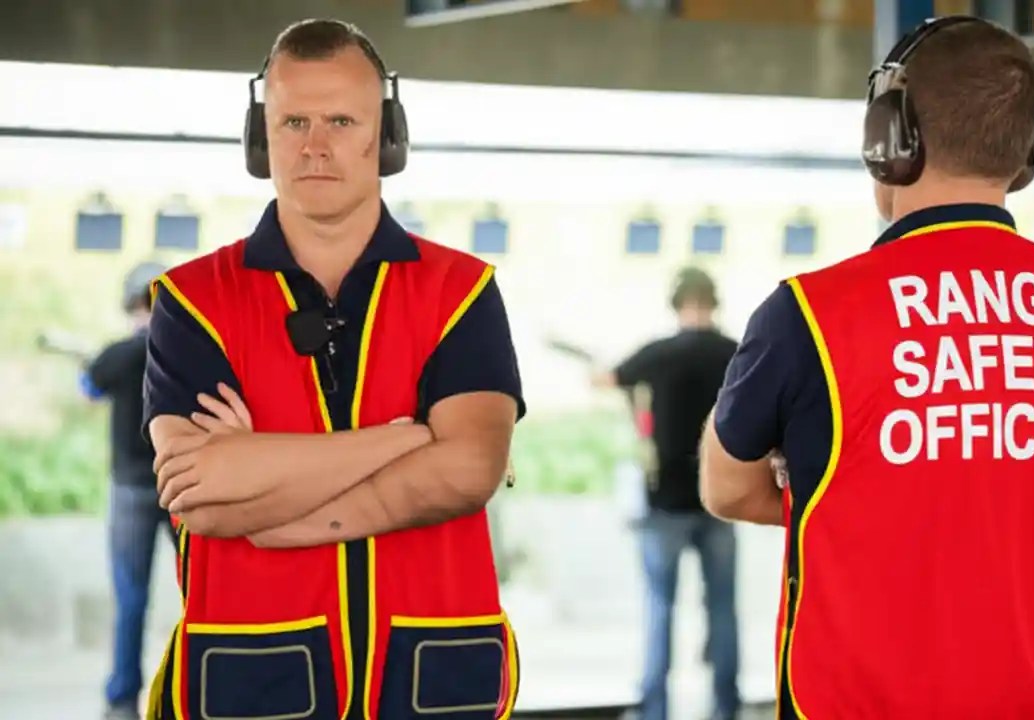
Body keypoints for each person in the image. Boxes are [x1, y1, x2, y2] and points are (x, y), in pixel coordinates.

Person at [699, 16, 1034, 719]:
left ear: (889, 141)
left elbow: (727, 490)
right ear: (1025, 150)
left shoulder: (811, 315)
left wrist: (852, 494)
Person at [140, 18, 523, 720]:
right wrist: (403, 438)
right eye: (292, 122)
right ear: (261, 138)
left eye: (342, 119)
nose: (315, 145)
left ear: (388, 136)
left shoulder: (460, 290)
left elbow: (468, 471)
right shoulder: (192, 300)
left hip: (430, 681)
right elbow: (199, 493)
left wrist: (267, 487)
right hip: (253, 680)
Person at [593, 267, 741, 720]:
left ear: (676, 304)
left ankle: (653, 710)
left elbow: (607, 379)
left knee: (659, 608)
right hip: (720, 499)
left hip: (664, 504)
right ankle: (725, 708)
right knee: (722, 609)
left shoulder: (657, 354)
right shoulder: (736, 354)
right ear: (714, 301)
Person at [74, 262, 170, 720]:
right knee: (205, 593)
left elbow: (88, 389)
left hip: (132, 490)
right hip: (183, 489)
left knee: (131, 596)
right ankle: (208, 684)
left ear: (132, 304)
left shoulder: (118, 354)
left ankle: (122, 701)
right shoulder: (188, 354)